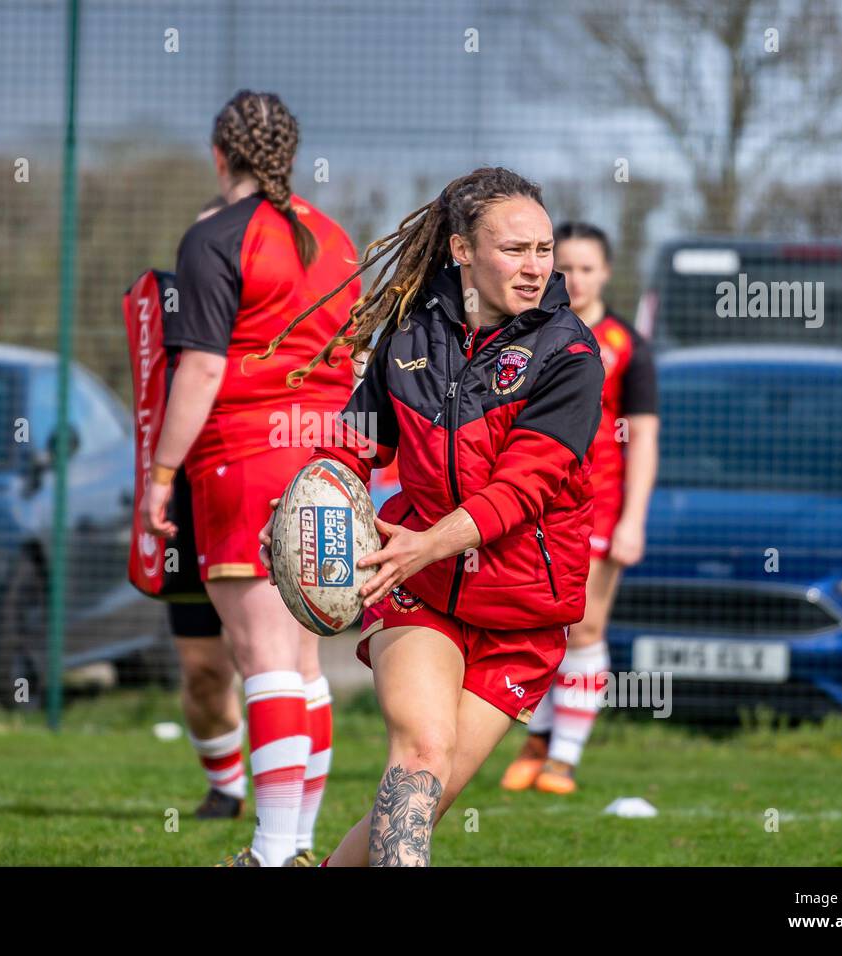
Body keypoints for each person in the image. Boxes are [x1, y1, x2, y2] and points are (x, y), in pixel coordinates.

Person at [258, 167, 604, 866]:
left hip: (521, 616)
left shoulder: (569, 355)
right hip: (422, 592)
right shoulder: (409, 338)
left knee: (426, 795)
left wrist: (425, 544)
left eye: (543, 249)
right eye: (515, 250)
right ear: (461, 249)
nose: (536, 267)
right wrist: (305, 498)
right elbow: (353, 445)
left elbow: (520, 491)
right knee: (420, 754)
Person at [140, 91, 360, 866]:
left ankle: (270, 854)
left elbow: (200, 368)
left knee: (263, 657)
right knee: (303, 663)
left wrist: (162, 472)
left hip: (245, 455)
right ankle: (294, 845)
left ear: (218, 155)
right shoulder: (334, 239)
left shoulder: (214, 238)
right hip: (329, 459)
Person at [500, 221, 658, 794]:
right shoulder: (527, 333)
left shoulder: (626, 346)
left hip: (599, 507)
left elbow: (642, 436)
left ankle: (562, 757)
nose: (577, 278)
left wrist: (633, 519)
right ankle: (538, 737)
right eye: (566, 267)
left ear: (607, 273)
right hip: (530, 502)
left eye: (589, 268)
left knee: (584, 624)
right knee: (536, 620)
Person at [166, 196, 244, 821]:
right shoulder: (165, 306)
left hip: (252, 487)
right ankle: (226, 784)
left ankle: (285, 822)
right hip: (187, 502)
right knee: (202, 669)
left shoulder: (274, 306)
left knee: (268, 655)